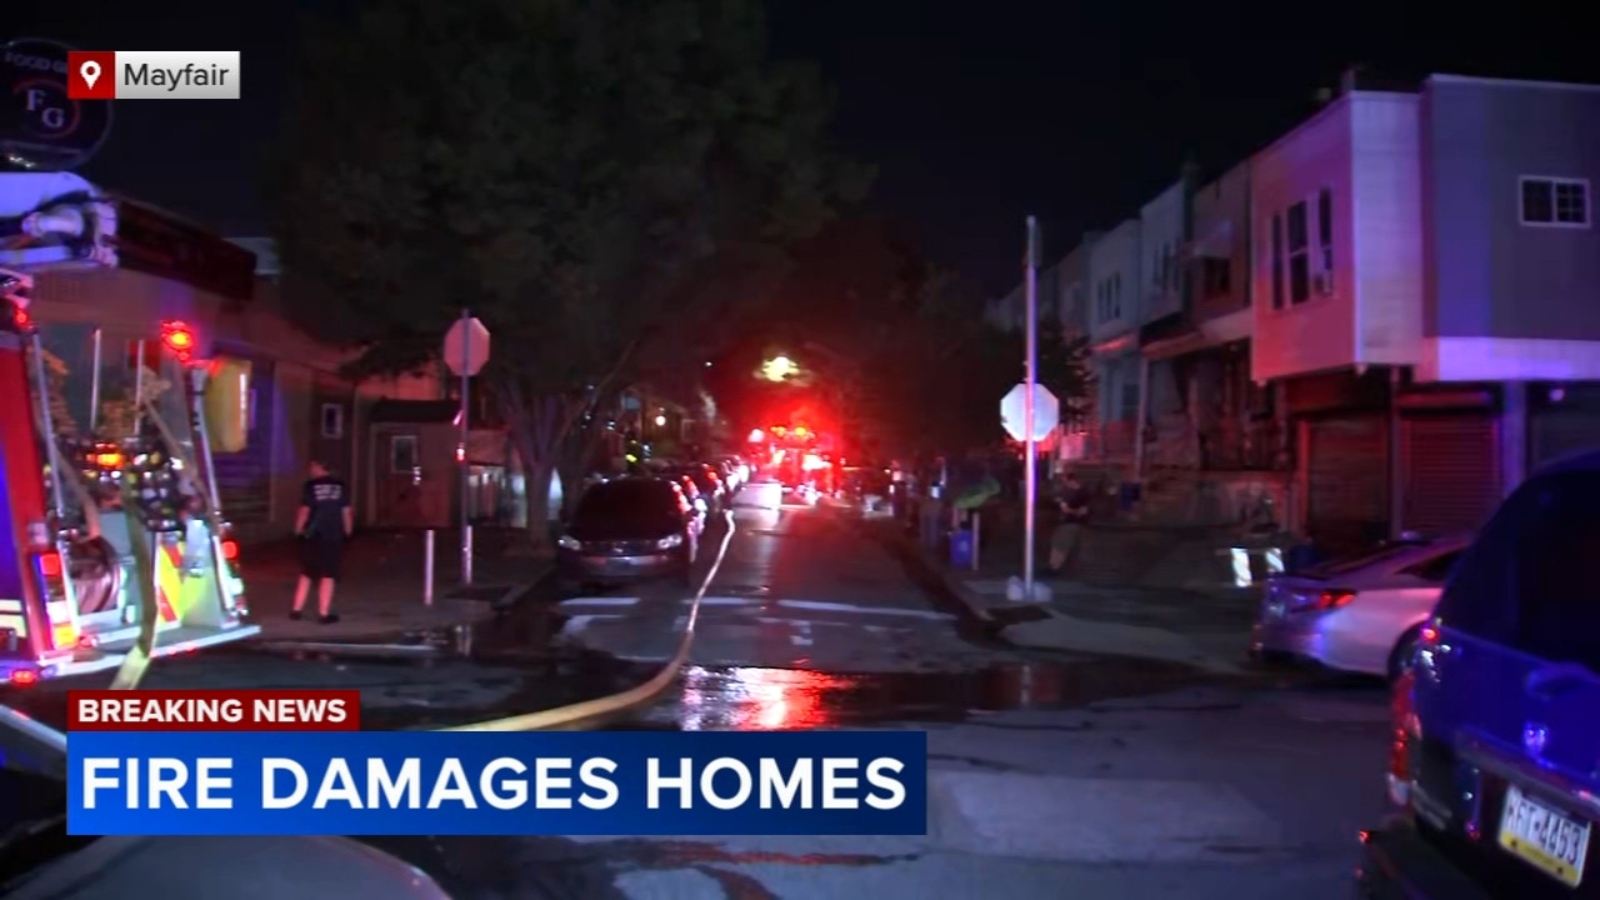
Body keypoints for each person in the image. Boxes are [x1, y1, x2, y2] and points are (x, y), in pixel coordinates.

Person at [290, 460, 353, 624]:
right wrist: (348, 531)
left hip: (312, 535)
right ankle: (323, 613)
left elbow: (305, 510)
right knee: (328, 574)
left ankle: (296, 609)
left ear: (321, 467)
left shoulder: (310, 486)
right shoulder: (341, 486)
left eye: (313, 466)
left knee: (307, 572)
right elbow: (346, 511)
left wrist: (297, 530)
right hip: (333, 535)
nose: (310, 469)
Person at [1048, 470, 1092, 573]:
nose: (1065, 484)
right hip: (1066, 522)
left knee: (1061, 542)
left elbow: (1083, 512)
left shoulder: (1083, 493)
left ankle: (1055, 566)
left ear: (1072, 481)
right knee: (1057, 540)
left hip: (1073, 523)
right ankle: (1054, 565)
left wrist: (1069, 510)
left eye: (1065, 481)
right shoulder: (1067, 492)